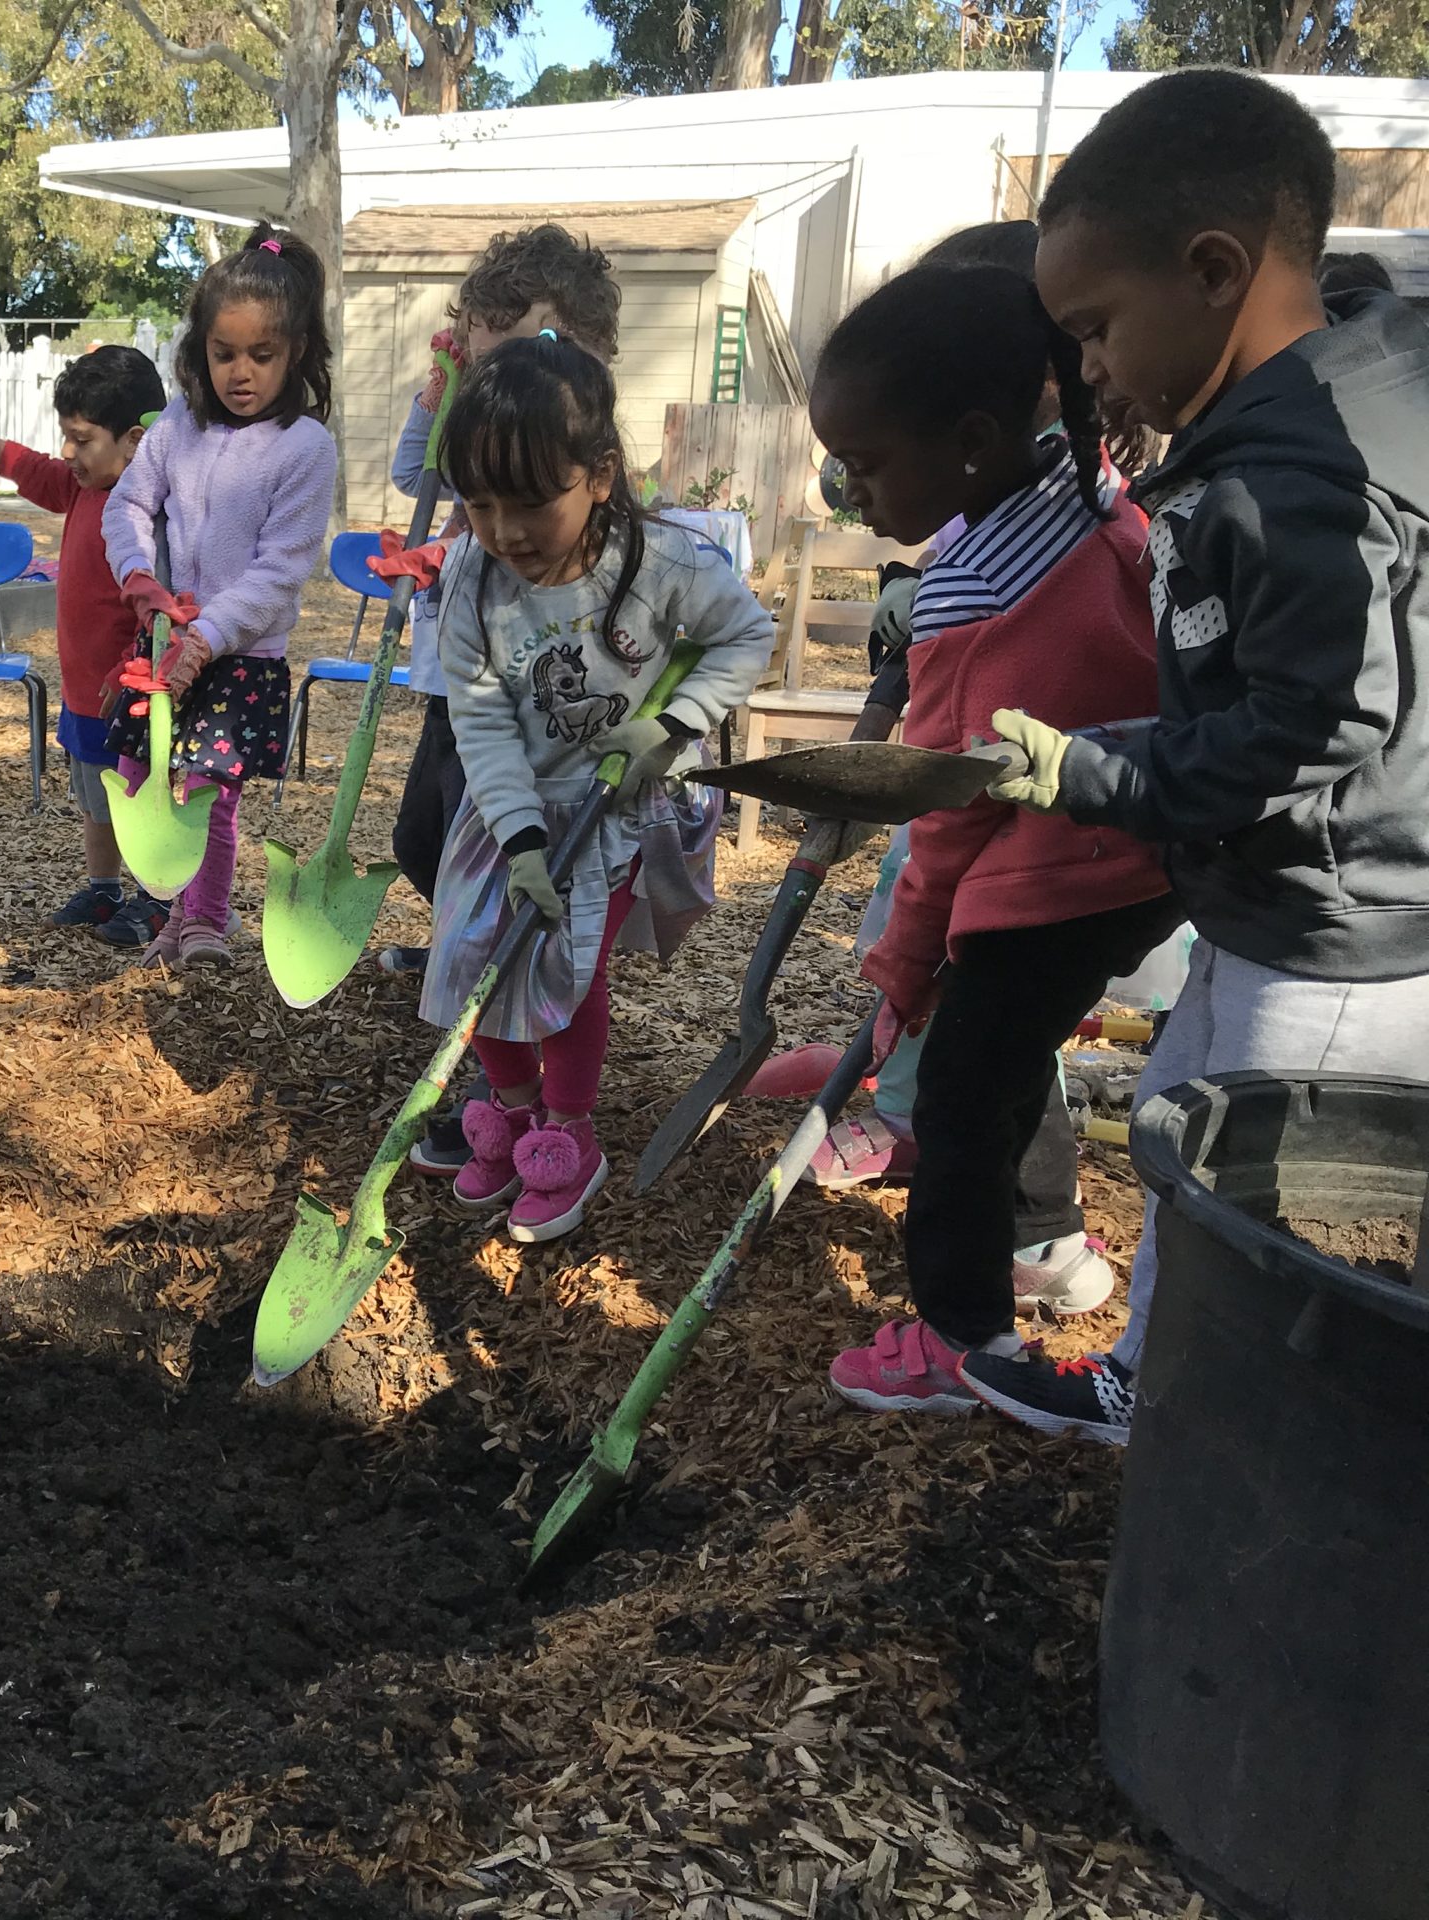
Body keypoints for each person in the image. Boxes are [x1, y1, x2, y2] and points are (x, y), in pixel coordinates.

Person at [966, 69, 1429, 1441]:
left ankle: (1251, 1445)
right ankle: (1157, 1385)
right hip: (1271, 892)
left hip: (1339, 927)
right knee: (1178, 1119)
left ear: (1217, 270)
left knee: (1271, 1209)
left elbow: (1322, 720)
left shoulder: (1300, 480)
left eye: (1099, 329)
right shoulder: (1297, 417)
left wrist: (1096, 773)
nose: (1088, 367)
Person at [805, 264, 1185, 1416]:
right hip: (1145, 840)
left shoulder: (968, 596)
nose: (850, 490)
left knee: (962, 1094)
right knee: (1012, 1054)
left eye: (867, 466)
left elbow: (946, 813)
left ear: (972, 439)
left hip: (1050, 873)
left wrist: (905, 965)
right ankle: (1044, 1250)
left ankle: (958, 1339)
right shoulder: (1092, 489)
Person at [429, 335, 773, 1242]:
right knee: (475, 963)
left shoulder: (665, 565)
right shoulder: (470, 579)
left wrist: (669, 727)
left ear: (601, 476)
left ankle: (568, 1135)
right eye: (478, 503)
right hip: (509, 805)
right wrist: (519, 837)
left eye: (532, 502)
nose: (504, 531)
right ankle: (512, 1106)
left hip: (614, 806)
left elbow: (745, 638)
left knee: (562, 976)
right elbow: (480, 717)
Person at [375, 224, 624, 1176]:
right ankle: (475, 965)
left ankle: (509, 1066)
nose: (495, 383)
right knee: (421, 846)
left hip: (536, 719)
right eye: (480, 361)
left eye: (509, 360)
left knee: (501, 887)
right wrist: (435, 397)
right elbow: (416, 476)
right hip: (453, 685)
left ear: (586, 352)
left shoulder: (577, 458)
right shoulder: (473, 426)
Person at [102, 226, 339, 966]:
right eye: (223, 353)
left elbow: (280, 571)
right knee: (146, 778)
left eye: (261, 356)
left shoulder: (305, 448)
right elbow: (129, 505)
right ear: (200, 349)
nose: (241, 372)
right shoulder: (180, 423)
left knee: (208, 789)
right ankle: (172, 915)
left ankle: (202, 920)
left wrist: (206, 639)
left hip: (239, 653)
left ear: (295, 351)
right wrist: (140, 581)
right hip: (163, 645)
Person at [0, 346, 172, 948]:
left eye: (82, 439)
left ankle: (159, 898)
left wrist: (135, 666)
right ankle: (104, 887)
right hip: (83, 690)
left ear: (133, 440)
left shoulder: (152, 512)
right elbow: (32, 468)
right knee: (94, 791)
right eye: (65, 438)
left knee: (142, 796)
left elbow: (161, 603)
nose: (68, 454)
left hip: (133, 693)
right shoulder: (81, 488)